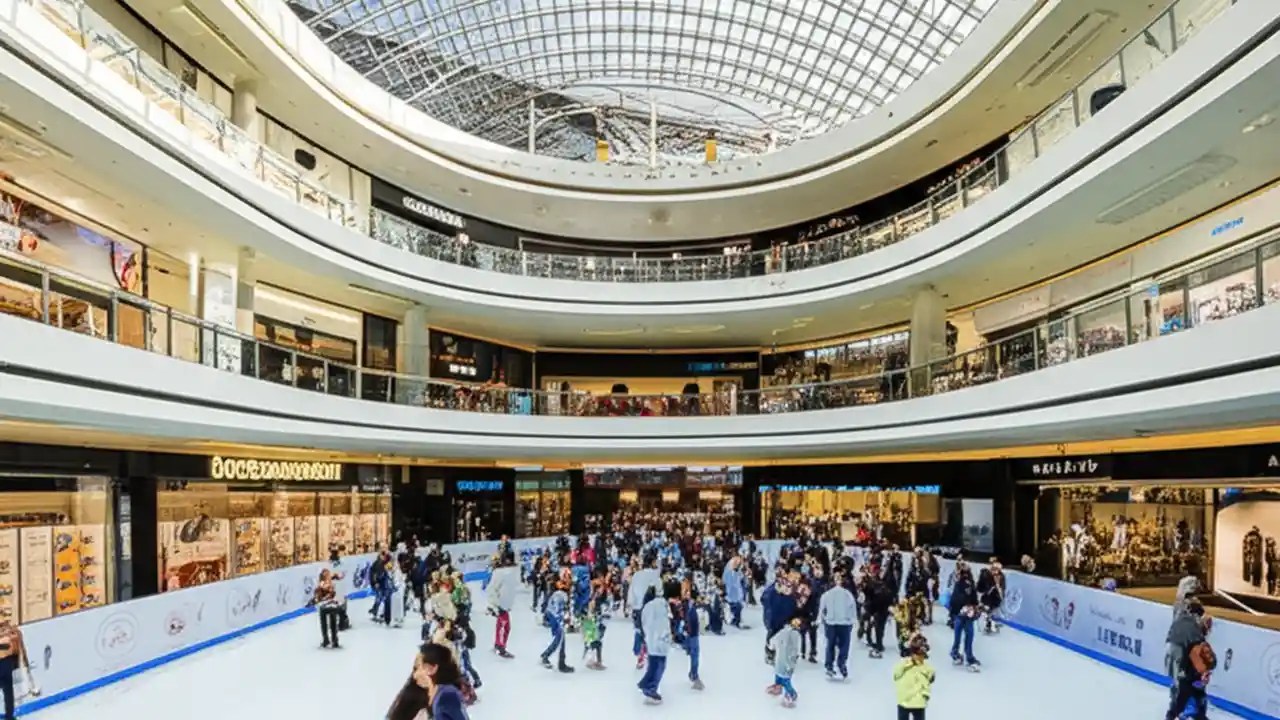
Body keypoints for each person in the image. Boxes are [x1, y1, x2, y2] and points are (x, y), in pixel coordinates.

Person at [385, 642, 469, 720]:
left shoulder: (447, 695)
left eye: (418, 667)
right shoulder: (420, 696)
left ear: (433, 669)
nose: (415, 675)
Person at [1164, 602, 1208, 720]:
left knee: (1177, 681)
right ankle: (1181, 712)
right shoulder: (1195, 627)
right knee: (1184, 683)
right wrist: (1203, 671)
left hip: (1169, 647)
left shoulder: (1180, 618)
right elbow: (1198, 650)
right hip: (1180, 651)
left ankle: (1172, 712)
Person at [637, 580, 678, 704]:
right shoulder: (660, 607)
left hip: (653, 640)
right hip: (658, 641)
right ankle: (649, 687)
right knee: (658, 666)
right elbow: (663, 626)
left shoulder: (656, 605)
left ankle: (647, 685)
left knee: (655, 665)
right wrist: (667, 637)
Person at [819, 571, 856, 680]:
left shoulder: (847, 594)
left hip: (842, 623)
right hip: (833, 623)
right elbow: (822, 608)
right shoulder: (828, 594)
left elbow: (852, 608)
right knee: (832, 645)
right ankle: (831, 665)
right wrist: (822, 619)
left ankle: (840, 664)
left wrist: (851, 620)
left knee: (841, 645)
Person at [766, 611, 804, 707]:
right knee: (786, 679)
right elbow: (796, 649)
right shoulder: (796, 635)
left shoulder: (783, 631)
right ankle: (790, 693)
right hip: (788, 660)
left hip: (780, 658)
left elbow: (772, 642)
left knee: (779, 674)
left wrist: (771, 647)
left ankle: (782, 689)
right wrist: (795, 658)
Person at [893, 635, 935, 720]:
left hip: (908, 700)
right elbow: (931, 677)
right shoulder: (923, 666)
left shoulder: (906, 664)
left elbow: (895, 675)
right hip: (913, 701)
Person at [947, 566, 981, 671]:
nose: (965, 575)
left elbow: (975, 599)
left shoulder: (971, 585)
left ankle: (969, 657)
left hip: (968, 616)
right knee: (958, 637)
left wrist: (974, 609)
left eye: (967, 573)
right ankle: (955, 653)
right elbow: (954, 600)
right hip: (959, 615)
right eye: (964, 573)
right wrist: (953, 613)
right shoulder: (958, 585)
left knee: (969, 636)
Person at [487, 551, 518, 658]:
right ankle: (500, 647)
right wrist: (495, 605)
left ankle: (498, 644)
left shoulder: (512, 571)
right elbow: (491, 589)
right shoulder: (500, 573)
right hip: (501, 605)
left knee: (502, 625)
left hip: (504, 604)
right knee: (505, 627)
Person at [540, 579, 574, 673]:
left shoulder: (557, 594)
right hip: (555, 617)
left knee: (560, 639)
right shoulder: (562, 595)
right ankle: (547, 656)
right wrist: (561, 620)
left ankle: (560, 662)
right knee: (560, 638)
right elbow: (558, 609)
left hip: (552, 616)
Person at [313, 568, 344, 649]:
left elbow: (317, 596)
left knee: (327, 623)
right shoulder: (326, 584)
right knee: (330, 623)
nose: (328, 576)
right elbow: (321, 595)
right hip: (329, 605)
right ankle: (332, 640)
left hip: (327, 606)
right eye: (327, 575)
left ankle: (328, 640)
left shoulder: (323, 584)